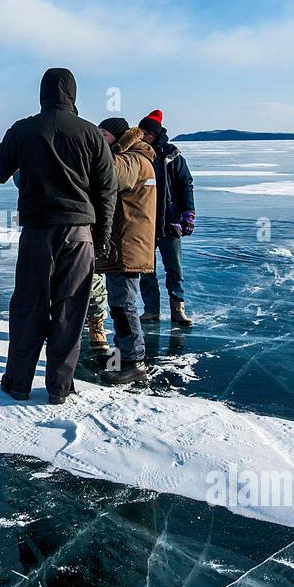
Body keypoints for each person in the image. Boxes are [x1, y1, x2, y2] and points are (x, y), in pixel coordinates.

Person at [0, 68, 115, 405]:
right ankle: (59, 387)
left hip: (38, 232)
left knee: (29, 306)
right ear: (73, 94)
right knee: (70, 310)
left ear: (42, 93)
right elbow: (107, 191)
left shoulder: (24, 129)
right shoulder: (91, 134)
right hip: (79, 234)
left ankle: (18, 384)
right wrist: (101, 237)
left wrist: (23, 155)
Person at [94, 118, 158, 385]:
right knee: (120, 303)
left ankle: (134, 363)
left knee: (123, 305)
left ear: (119, 137)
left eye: (104, 135)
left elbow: (108, 174)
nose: (100, 139)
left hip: (127, 246)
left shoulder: (131, 160)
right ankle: (124, 358)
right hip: (126, 244)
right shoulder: (136, 157)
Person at [137, 110, 195, 327]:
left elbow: (185, 184)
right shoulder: (139, 154)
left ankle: (177, 308)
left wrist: (188, 213)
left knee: (174, 268)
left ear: (155, 134)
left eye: (146, 133)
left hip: (170, 220)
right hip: (144, 222)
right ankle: (151, 309)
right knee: (146, 267)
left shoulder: (173, 156)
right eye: (140, 132)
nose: (143, 136)